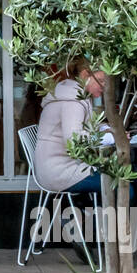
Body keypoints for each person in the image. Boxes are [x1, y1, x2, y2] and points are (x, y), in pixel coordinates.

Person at [34, 57, 110, 194]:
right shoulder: (72, 102)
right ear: (85, 74)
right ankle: (100, 216)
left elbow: (87, 127)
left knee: (129, 179)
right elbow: (73, 141)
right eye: (102, 80)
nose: (105, 86)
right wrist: (109, 138)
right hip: (60, 174)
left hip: (64, 168)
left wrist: (107, 130)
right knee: (125, 188)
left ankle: (99, 215)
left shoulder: (75, 94)